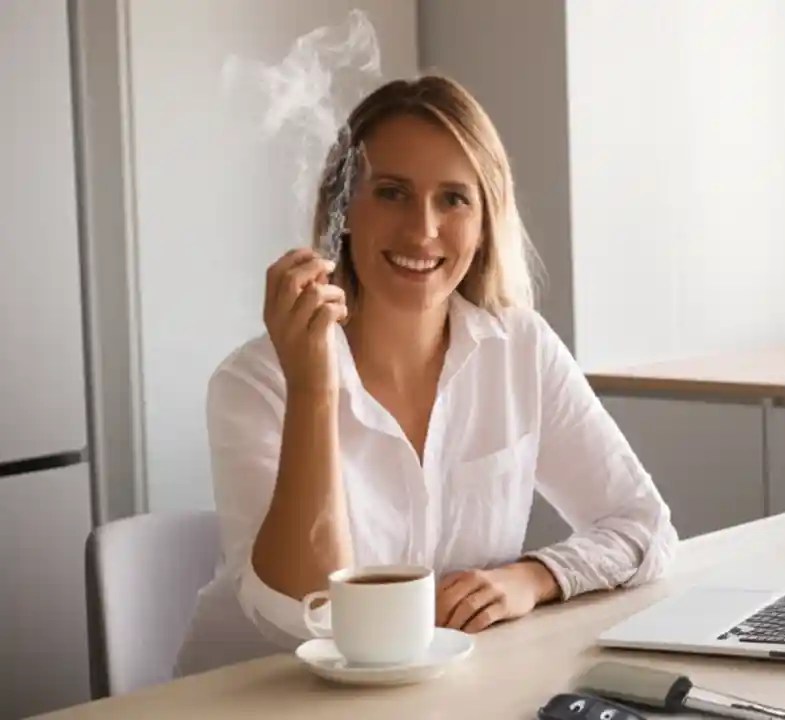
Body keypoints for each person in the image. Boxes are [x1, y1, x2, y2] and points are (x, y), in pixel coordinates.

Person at [175, 74, 677, 676]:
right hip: (255, 702)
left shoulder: (519, 349)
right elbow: (307, 615)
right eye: (390, 193)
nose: (422, 230)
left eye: (453, 199)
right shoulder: (255, 383)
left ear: (487, 217)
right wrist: (313, 387)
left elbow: (643, 526)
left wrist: (536, 577)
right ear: (344, 212)